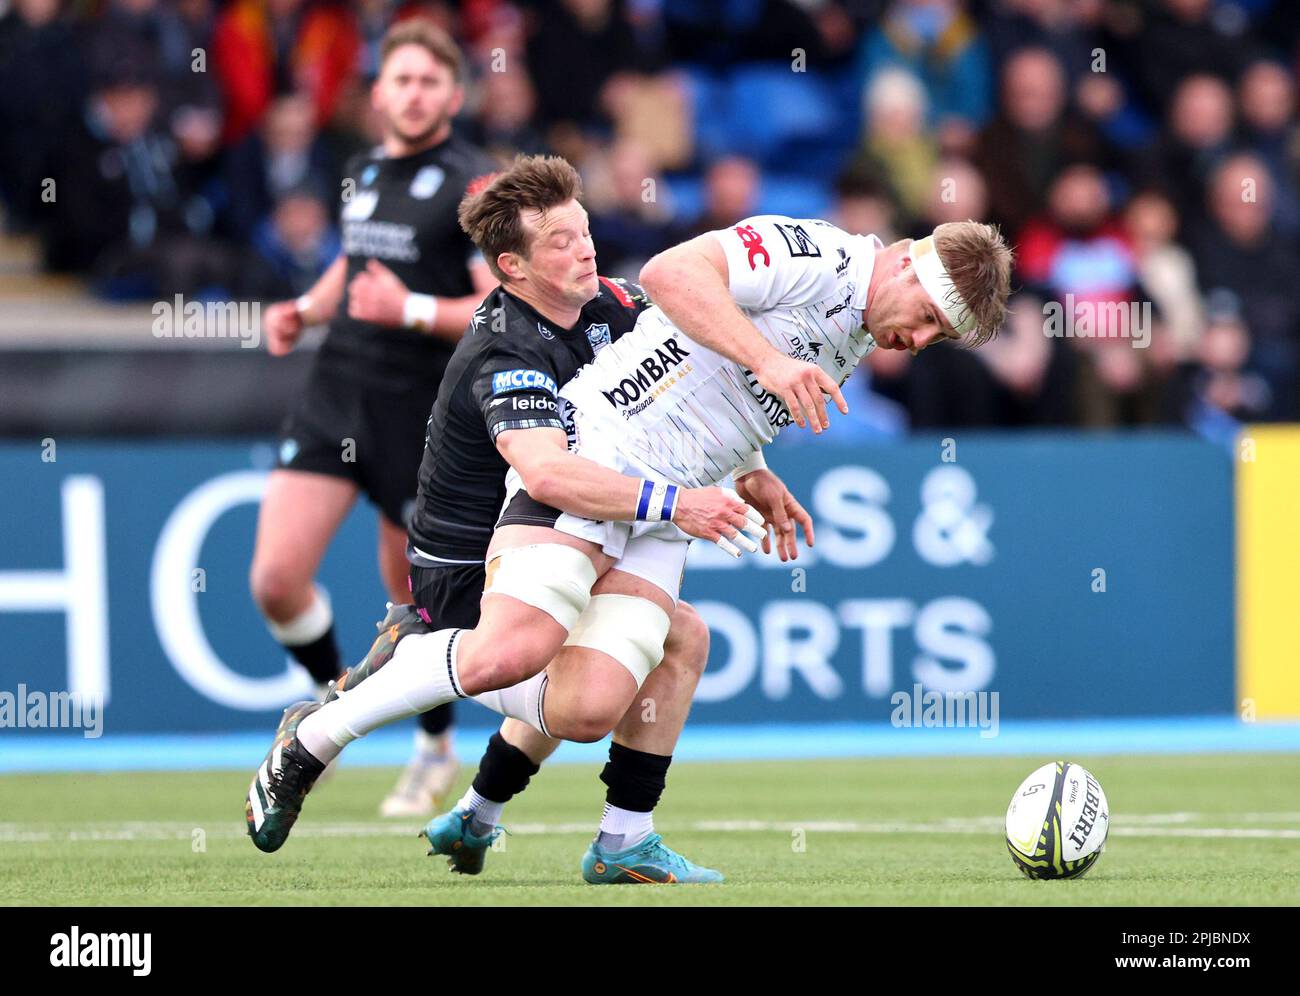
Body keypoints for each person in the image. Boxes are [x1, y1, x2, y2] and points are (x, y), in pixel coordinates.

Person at [249, 165, 1013, 877]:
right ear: (906, 263)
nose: (920, 342)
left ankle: (617, 840)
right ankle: (316, 736)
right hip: (603, 454)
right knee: (508, 653)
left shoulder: (862, 321)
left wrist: (753, 470)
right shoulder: (816, 255)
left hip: (671, 498)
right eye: (928, 319)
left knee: (588, 708)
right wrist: (771, 365)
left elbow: (718, 385)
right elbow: (670, 275)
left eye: (939, 339)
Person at [249, 20, 497, 818]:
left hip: (419, 412)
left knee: (413, 607)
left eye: (430, 81)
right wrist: (306, 308)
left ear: (453, 96)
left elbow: (496, 306)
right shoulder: (359, 168)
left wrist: (411, 309)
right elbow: (354, 262)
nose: (414, 94)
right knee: (276, 580)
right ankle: (322, 720)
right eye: (401, 80)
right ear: (379, 93)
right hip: (336, 391)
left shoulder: (472, 186)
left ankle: (434, 747)